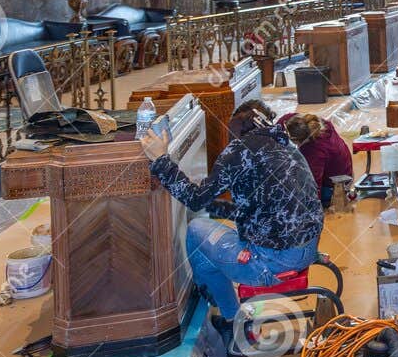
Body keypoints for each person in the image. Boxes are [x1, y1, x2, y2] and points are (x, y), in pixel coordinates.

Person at [139, 99, 324, 332]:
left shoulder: (240, 149)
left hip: (272, 262)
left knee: (196, 231)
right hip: (308, 249)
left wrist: (160, 160)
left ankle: (232, 320)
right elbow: (260, 207)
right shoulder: (284, 144)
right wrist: (216, 208)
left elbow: (196, 198)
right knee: (212, 235)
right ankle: (230, 312)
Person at [281, 112, 354, 206]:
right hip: (346, 173)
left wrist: (311, 209)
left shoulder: (313, 151)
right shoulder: (320, 124)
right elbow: (286, 117)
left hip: (335, 187)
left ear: (298, 140)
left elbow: (314, 185)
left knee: (289, 191)